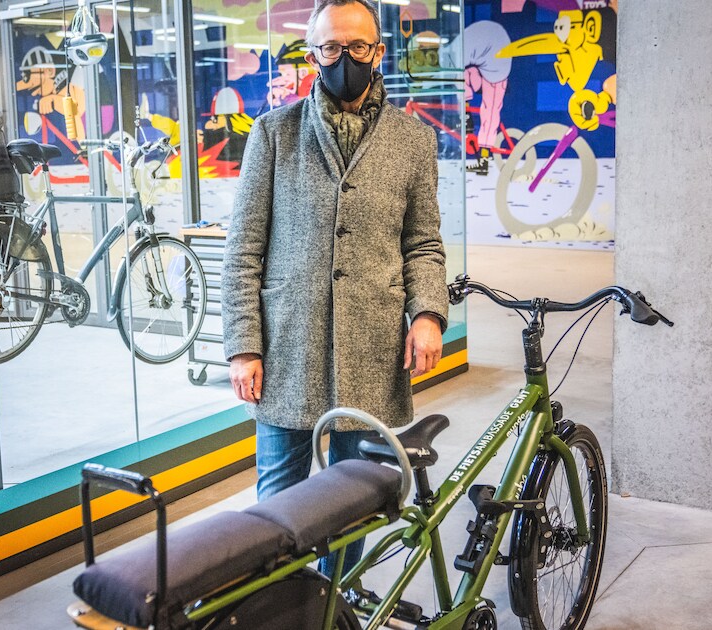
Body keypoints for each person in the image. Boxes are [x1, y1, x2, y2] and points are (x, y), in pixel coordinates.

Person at [220, 0, 449, 584]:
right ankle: (279, 611)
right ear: (312, 53)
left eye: (357, 46)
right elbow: (244, 248)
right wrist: (243, 344)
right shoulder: (275, 134)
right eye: (329, 47)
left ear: (377, 52)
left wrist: (428, 313)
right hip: (286, 354)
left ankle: (337, 608)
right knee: (277, 507)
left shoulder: (413, 141)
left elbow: (423, 242)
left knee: (352, 508)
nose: (343, 58)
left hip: (372, 354)